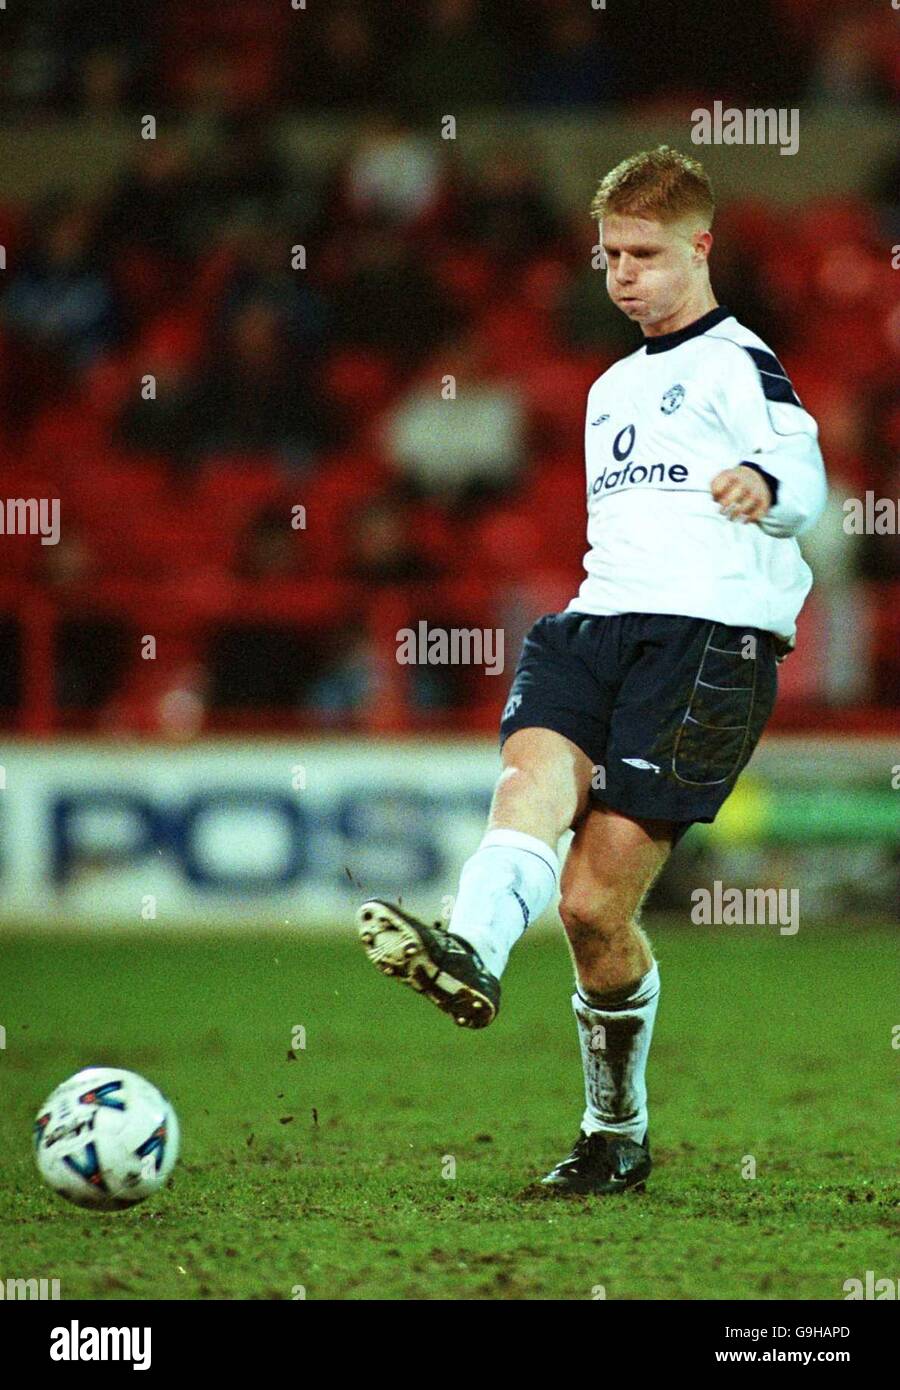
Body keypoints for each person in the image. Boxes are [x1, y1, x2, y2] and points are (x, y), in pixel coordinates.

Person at [356, 146, 827, 1195]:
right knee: (527, 784)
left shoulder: (739, 361)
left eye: (646, 254)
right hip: (594, 623)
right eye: (609, 255)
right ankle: (472, 946)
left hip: (706, 644)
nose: (622, 275)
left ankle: (615, 1132)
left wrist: (763, 482)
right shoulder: (610, 387)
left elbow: (804, 467)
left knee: (592, 910)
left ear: (700, 248)